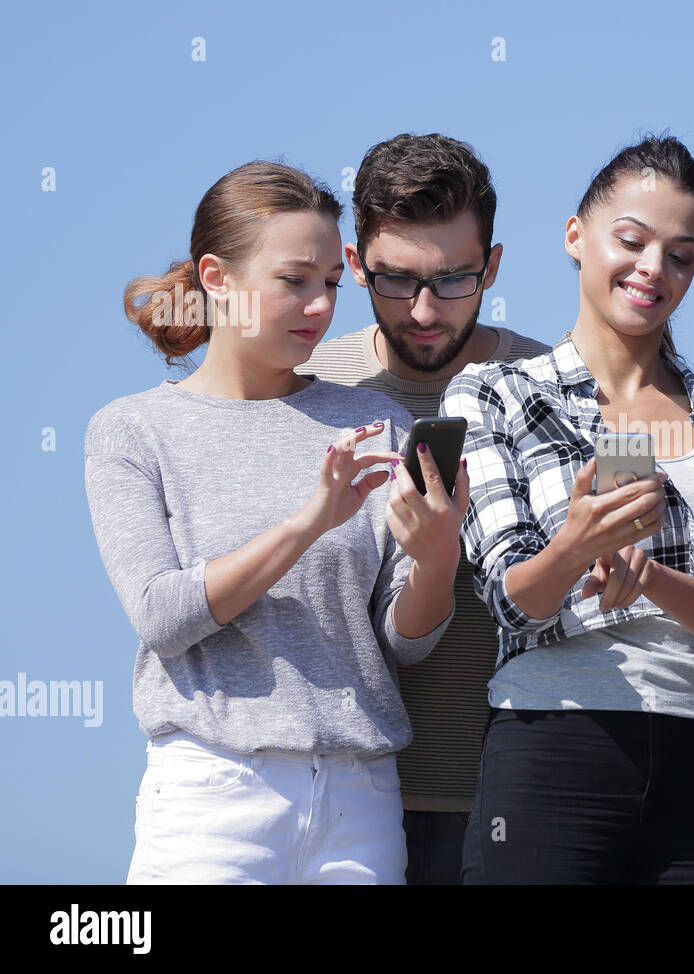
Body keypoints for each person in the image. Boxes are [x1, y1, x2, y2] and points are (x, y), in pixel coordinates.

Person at [85, 161, 467, 884]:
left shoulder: (375, 422)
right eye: (294, 280)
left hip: (360, 801)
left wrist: (439, 561)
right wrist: (308, 523)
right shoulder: (134, 431)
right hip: (212, 798)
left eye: (329, 283)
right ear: (216, 278)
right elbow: (163, 616)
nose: (319, 305)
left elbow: (401, 642)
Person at [443, 135, 694, 884]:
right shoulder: (496, 394)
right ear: (576, 236)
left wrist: (651, 579)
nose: (653, 269)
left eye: (682, 254)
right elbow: (512, 601)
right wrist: (572, 550)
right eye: (631, 240)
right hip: (550, 746)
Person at [297, 133, 549, 885]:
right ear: (353, 264)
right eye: (396, 282)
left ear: (494, 266)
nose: (426, 310)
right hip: (336, 807)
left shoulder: (552, 385)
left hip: (517, 800)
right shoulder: (303, 385)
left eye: (455, 279)